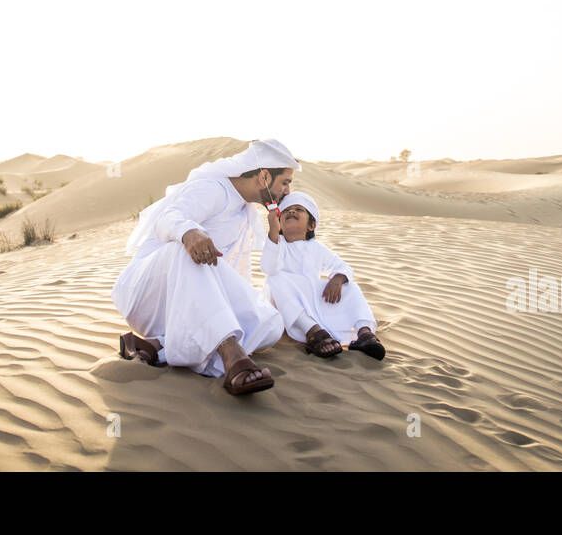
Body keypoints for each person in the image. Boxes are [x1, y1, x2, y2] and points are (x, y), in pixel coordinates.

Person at [112, 139, 297, 395]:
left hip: (187, 305)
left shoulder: (246, 212)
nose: (287, 191)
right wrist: (189, 233)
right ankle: (232, 356)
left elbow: (236, 277)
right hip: (148, 293)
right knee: (188, 250)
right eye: (285, 182)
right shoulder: (213, 189)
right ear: (264, 176)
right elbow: (166, 219)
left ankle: (157, 347)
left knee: (269, 324)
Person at [261, 191, 384, 361]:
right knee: (275, 278)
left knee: (350, 287)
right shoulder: (278, 244)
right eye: (287, 210)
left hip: (312, 297)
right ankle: (313, 332)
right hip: (286, 301)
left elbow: (342, 267)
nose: (292, 212)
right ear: (279, 223)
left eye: (299, 209)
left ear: (311, 225)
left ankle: (364, 333)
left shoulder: (316, 248)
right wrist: (273, 232)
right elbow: (268, 267)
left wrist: (337, 279)